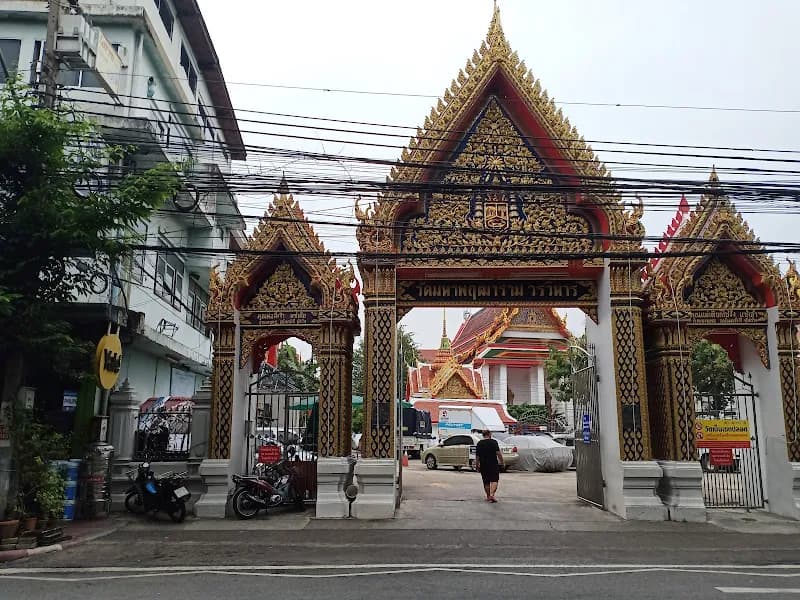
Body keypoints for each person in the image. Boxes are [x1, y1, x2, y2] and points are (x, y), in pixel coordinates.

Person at [474, 429, 503, 502]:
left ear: (483, 435)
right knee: (494, 480)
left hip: (484, 465)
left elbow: (477, 456)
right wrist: (502, 462)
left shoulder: (479, 443)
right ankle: (492, 495)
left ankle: (488, 496)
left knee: (486, 481)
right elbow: (498, 453)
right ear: (489, 434)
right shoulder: (494, 442)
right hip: (493, 464)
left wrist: (477, 465)